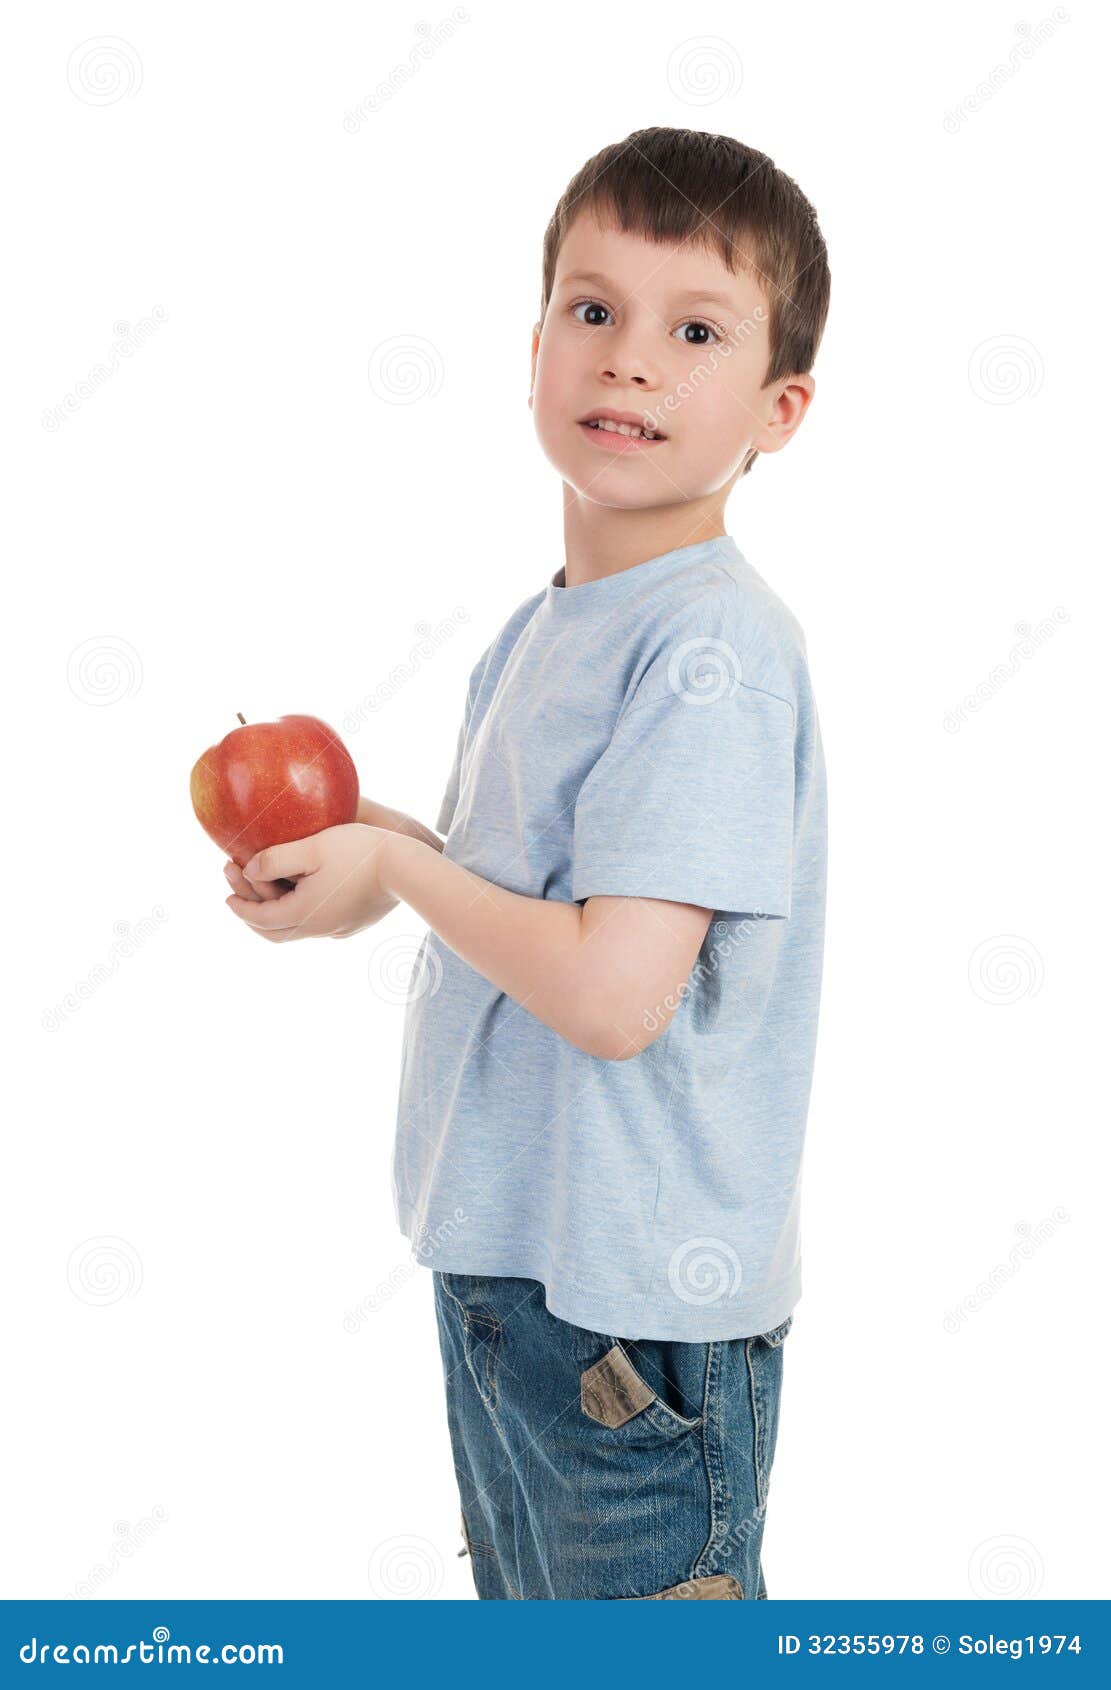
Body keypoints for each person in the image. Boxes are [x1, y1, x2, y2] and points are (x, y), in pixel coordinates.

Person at [224, 126, 831, 1600]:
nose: (631, 359)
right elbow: (539, 907)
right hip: (516, 1270)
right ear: (537, 347)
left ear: (780, 408)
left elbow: (615, 996)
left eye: (697, 332)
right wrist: (376, 847)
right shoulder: (549, 625)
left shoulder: (711, 652)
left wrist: (401, 880)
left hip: (631, 1311)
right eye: (594, 308)